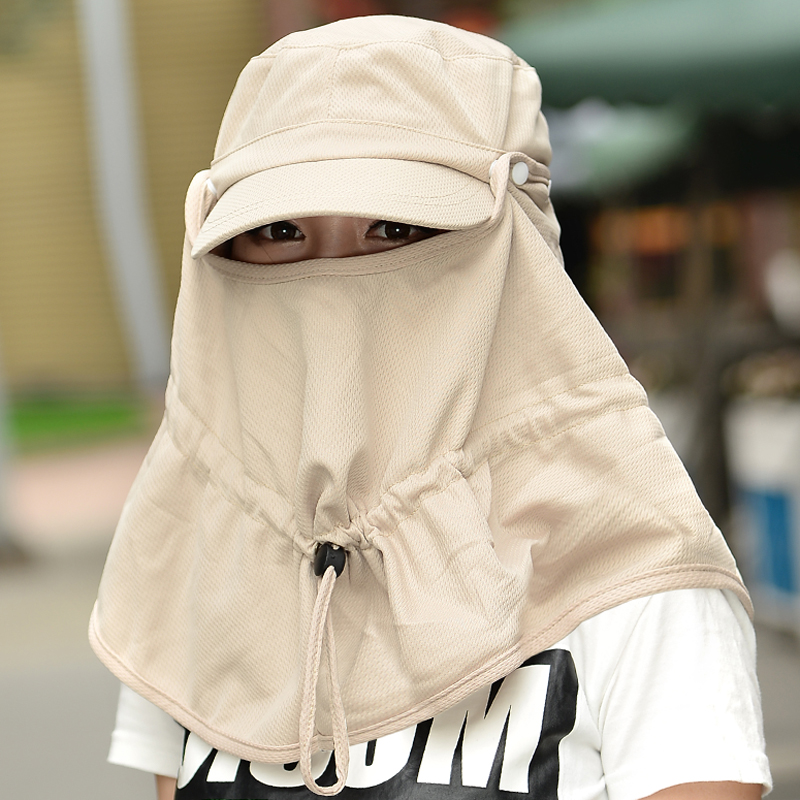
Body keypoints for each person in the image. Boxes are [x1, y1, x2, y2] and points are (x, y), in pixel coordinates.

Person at [90, 15, 771, 800]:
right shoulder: (201, 541)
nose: (334, 286)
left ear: (515, 245)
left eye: (396, 227)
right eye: (280, 231)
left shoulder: (634, 567)